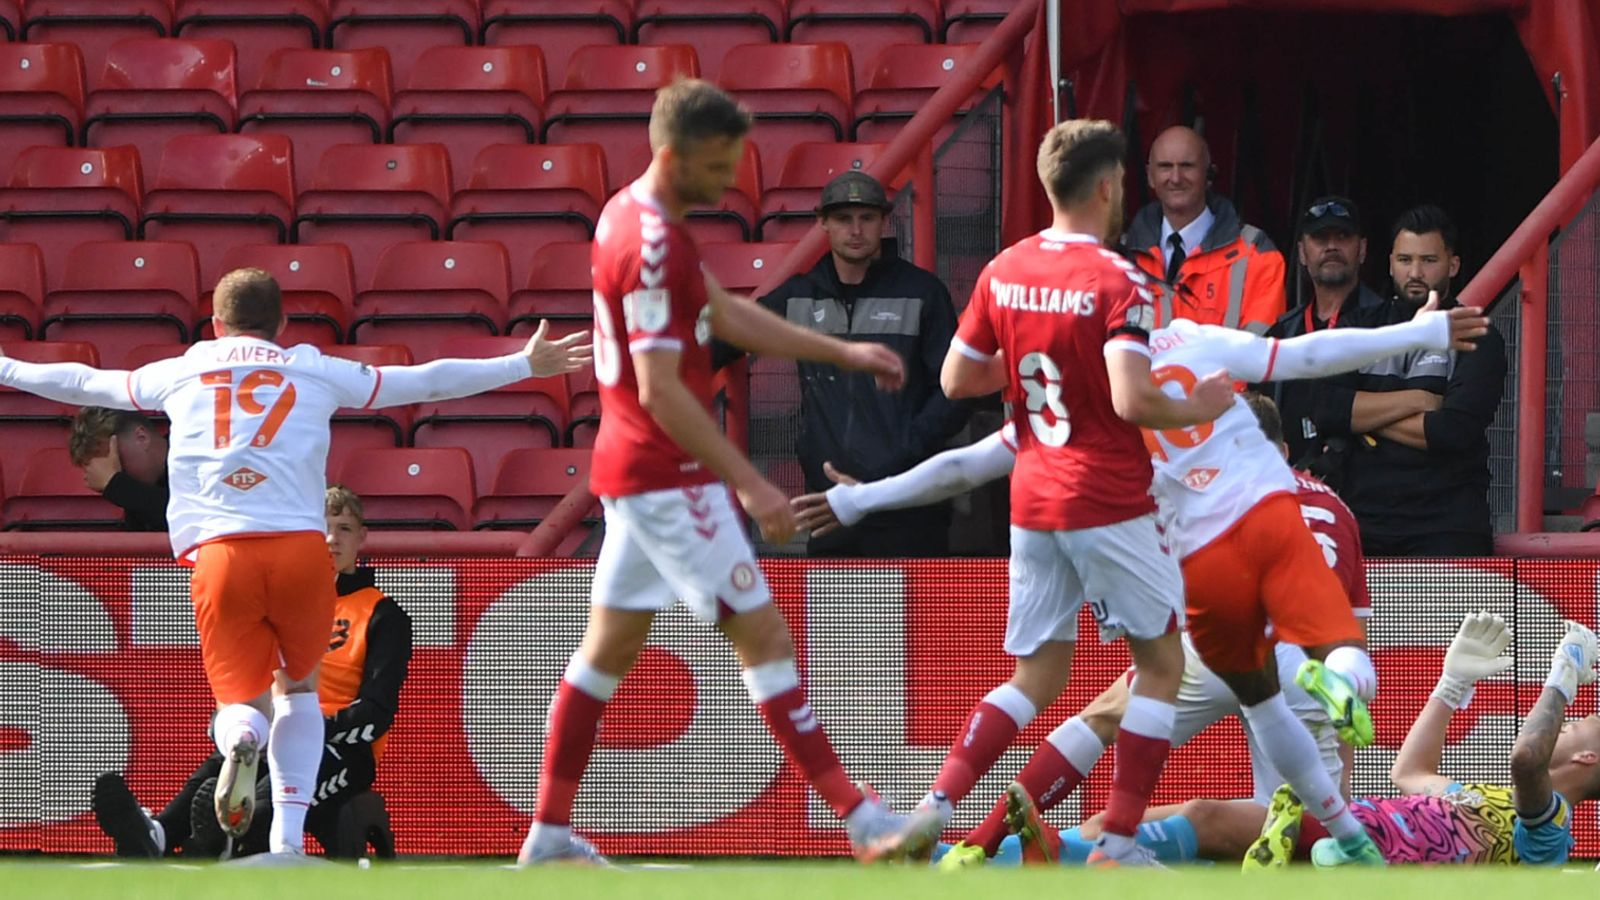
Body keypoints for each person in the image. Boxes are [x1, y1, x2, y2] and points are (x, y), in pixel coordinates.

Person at [795, 292, 1490, 868]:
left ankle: (983, 842)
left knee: (1096, 704)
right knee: (1304, 784)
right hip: (1283, 578)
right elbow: (1307, 354)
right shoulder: (1218, 370)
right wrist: (1420, 329)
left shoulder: (1078, 407)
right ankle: (1331, 741)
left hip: (1208, 595)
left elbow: (965, 466)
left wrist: (862, 498)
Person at [0, 269, 590, 862]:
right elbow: (424, 382)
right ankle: (284, 842)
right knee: (300, 694)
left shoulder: (180, 370)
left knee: (240, 706)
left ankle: (241, 741)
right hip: (301, 552)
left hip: (220, 553)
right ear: (282, 325)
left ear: (215, 324)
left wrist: (4, 367)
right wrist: (522, 365)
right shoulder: (310, 367)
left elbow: (81, 380)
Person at [519, 79, 913, 867]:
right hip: (669, 473)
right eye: (718, 162)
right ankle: (861, 819)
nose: (729, 177)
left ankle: (549, 835)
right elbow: (664, 389)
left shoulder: (630, 215)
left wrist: (839, 351)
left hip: (632, 469)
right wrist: (752, 483)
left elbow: (724, 313)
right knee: (760, 632)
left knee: (607, 649)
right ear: (674, 153)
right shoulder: (654, 243)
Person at [868, 118, 1236, 868]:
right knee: (1162, 666)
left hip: (1033, 495)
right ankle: (1121, 842)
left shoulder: (1003, 269)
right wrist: (1199, 405)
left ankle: (932, 808)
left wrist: (1044, 367)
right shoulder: (1118, 279)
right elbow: (1134, 402)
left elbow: (956, 381)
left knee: (1035, 676)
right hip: (1106, 494)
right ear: (1107, 188)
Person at [1017, 613, 1599, 868]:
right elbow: (1409, 774)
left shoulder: (1548, 834)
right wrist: (1453, 683)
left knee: (1204, 816)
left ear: (1587, 757)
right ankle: (1020, 855)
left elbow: (1527, 759)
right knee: (1109, 822)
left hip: (1367, 853)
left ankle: (1061, 859)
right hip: (1348, 821)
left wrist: (1564, 675)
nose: (1568, 721)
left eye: (1579, 724)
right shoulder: (1482, 797)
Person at [91, 486, 413, 860]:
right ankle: (158, 833)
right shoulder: (283, 604)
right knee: (230, 753)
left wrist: (310, 727)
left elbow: (378, 712)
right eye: (321, 527)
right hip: (273, 731)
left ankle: (215, 841)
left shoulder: (383, 614)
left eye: (343, 528)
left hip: (344, 749)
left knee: (260, 805)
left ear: (362, 537)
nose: (330, 538)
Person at [752, 170, 969, 556]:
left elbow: (956, 390)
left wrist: (901, 451)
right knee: (836, 617)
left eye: (867, 218)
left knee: (917, 618)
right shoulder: (799, 295)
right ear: (823, 223)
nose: (856, 230)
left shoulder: (922, 292)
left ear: (884, 222)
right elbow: (725, 336)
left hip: (909, 502)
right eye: (842, 219)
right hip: (830, 505)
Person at [1318, 205, 1507, 557]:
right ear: (1390, 263)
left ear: (1453, 265)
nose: (1415, 272)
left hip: (1447, 526)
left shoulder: (1478, 336)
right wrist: (1419, 400)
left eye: (1429, 260)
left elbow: (1452, 431)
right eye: (1405, 260)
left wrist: (1362, 420)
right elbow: (1325, 409)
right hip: (1362, 523)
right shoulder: (1357, 327)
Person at [1263, 197, 1390, 467]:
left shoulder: (1389, 327)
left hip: (1368, 492)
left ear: (1363, 249)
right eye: (1320, 238)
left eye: (1343, 236)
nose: (1332, 246)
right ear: (1302, 252)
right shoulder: (1281, 334)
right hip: (1293, 489)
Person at [1123, 126, 1287, 334]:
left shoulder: (1257, 255)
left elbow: (1260, 354)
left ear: (1209, 175)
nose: (1175, 178)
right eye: (1165, 166)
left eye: (1187, 166)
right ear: (1150, 176)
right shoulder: (1122, 255)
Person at [67, 407, 170, 531]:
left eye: (119, 460)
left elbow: (191, 516)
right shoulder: (140, 492)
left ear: (142, 438)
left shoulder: (194, 453)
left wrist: (116, 484)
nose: (118, 471)